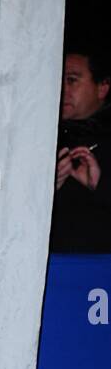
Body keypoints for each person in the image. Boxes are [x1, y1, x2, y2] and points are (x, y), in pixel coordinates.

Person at [50, 45, 111, 253]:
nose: (62, 89)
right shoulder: (37, 136)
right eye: (58, 79)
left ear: (102, 88)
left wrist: (99, 185)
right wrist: (47, 187)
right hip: (47, 268)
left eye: (72, 80)